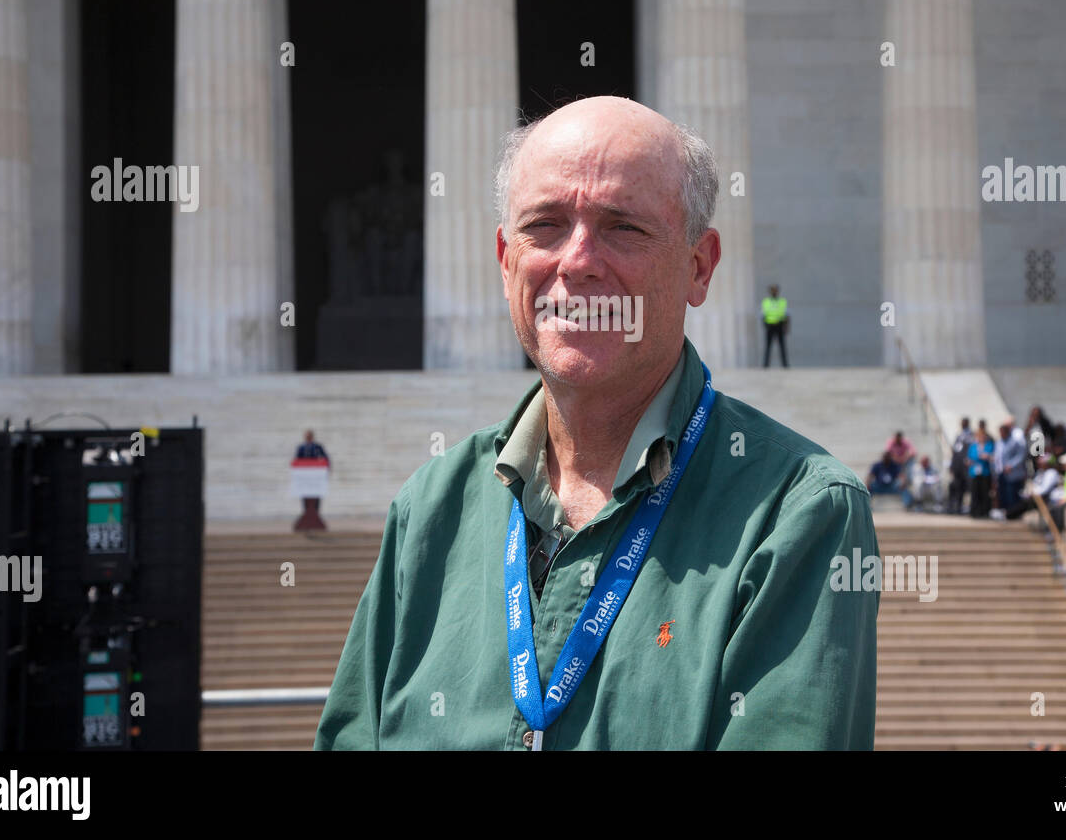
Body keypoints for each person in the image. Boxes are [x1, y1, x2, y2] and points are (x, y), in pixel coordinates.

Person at [314, 96, 878, 750]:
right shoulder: (427, 512)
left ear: (699, 266)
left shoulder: (799, 516)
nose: (577, 262)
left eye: (623, 228)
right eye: (545, 225)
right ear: (505, 262)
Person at [294, 430, 331, 531]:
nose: (308, 438)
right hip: (305, 479)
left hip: (316, 478)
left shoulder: (318, 447)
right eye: (307, 436)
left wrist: (326, 470)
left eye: (310, 436)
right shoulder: (301, 448)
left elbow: (326, 459)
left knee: (316, 498)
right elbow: (296, 461)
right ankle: (307, 517)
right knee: (305, 498)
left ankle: (315, 516)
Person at [991, 416, 1027, 519]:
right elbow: (997, 456)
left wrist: (1011, 465)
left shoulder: (1016, 441)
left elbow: (1021, 455)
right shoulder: (999, 442)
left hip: (1013, 473)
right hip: (1001, 472)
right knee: (1003, 494)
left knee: (1012, 494)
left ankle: (1014, 514)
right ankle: (1006, 513)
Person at [947, 417, 973, 514]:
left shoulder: (971, 435)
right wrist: (952, 466)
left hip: (966, 467)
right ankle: (957, 507)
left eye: (964, 423)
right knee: (957, 486)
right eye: (962, 423)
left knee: (965, 487)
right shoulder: (959, 435)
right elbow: (955, 452)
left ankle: (966, 507)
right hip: (957, 467)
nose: (963, 424)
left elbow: (970, 451)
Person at [967, 428, 994, 519]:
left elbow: (992, 456)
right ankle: (975, 511)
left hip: (985, 471)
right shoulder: (973, 446)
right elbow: (970, 457)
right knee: (975, 492)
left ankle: (984, 511)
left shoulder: (989, 445)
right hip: (975, 472)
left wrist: (987, 456)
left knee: (985, 492)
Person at [761, 284, 788, 368]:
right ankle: (766, 365)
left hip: (780, 325)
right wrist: (765, 325)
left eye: (775, 290)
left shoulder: (782, 301)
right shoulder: (766, 302)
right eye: (773, 290)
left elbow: (786, 314)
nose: (774, 292)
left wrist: (786, 326)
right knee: (768, 346)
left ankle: (785, 364)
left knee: (782, 346)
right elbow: (763, 314)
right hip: (770, 325)